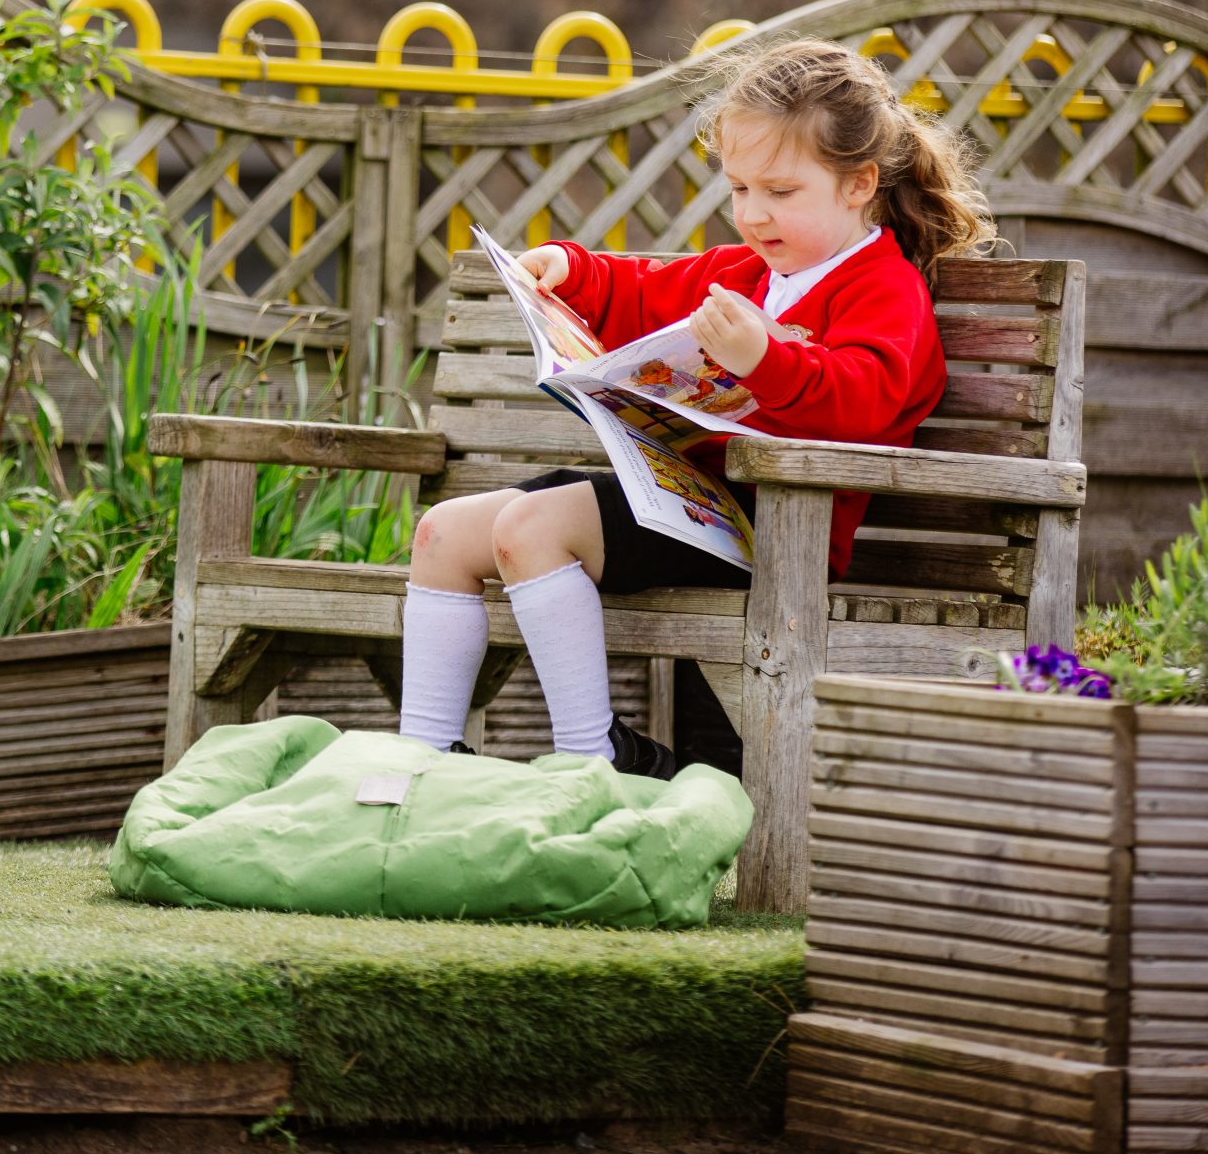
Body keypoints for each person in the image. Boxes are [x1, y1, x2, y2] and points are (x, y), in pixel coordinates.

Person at [398, 38, 994, 778]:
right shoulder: (747, 271)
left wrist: (765, 361)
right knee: (443, 533)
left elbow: (864, 403)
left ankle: (594, 758)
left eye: (780, 192)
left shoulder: (884, 289)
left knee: (530, 529)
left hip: (775, 530)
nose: (754, 215)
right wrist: (573, 273)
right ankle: (421, 756)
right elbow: (645, 292)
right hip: (680, 499)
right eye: (739, 189)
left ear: (858, 184)